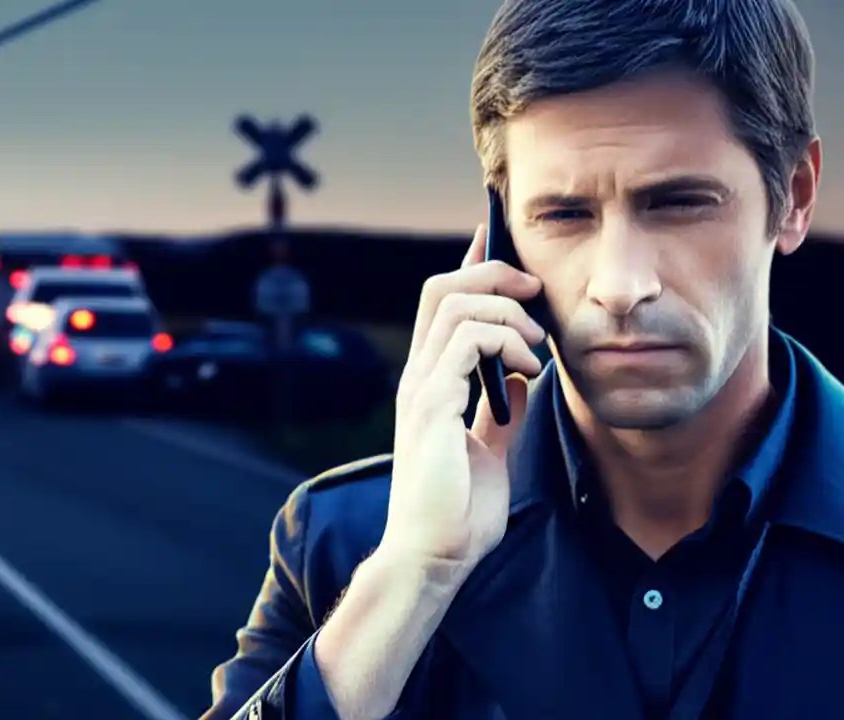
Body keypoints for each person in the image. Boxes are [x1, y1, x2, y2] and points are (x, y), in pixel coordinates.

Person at [202, 0, 843, 718]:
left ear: (793, 196)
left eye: (679, 204)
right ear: (502, 234)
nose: (621, 286)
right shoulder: (343, 541)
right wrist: (414, 576)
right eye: (565, 215)